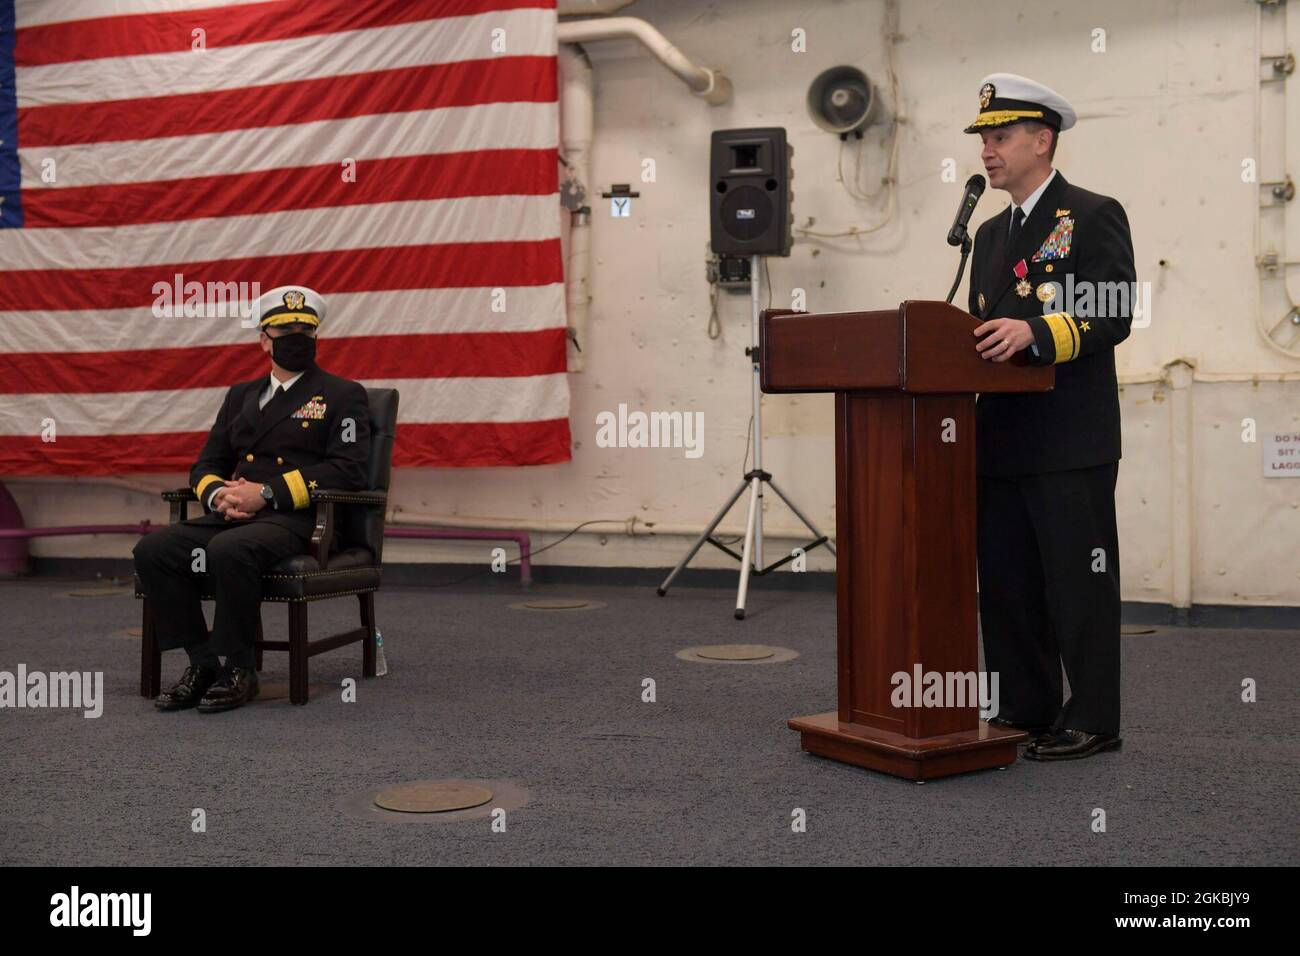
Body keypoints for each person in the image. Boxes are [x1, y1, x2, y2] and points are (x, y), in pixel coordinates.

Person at [965, 74, 1136, 760]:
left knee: (1078, 583)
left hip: (1069, 435)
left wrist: (1035, 333)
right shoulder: (983, 235)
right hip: (1000, 438)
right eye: (984, 138)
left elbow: (1112, 312)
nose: (988, 150)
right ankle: (1025, 707)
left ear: (1043, 140)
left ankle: (1094, 718)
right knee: (1007, 585)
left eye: (1001, 136)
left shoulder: (1091, 215)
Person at [133, 285, 371, 713]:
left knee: (230, 548)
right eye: (285, 328)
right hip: (235, 514)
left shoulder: (342, 394)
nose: (296, 335)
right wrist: (220, 496)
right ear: (264, 339)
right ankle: (202, 662)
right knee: (154, 549)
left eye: (304, 328)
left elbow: (348, 469)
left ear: (316, 336)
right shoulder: (240, 395)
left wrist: (266, 493)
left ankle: (240, 668)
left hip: (296, 519)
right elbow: (206, 464)